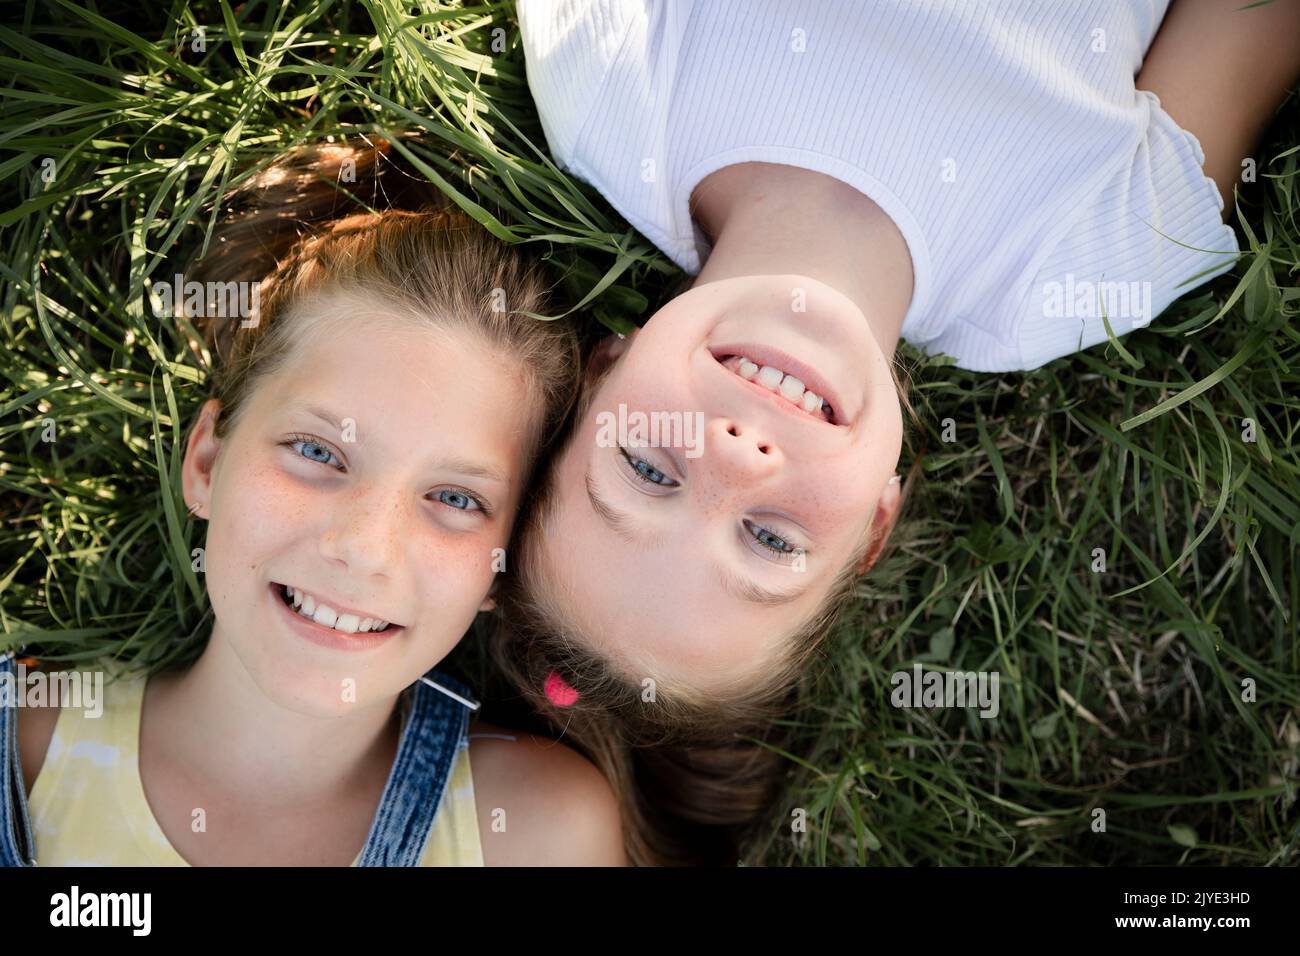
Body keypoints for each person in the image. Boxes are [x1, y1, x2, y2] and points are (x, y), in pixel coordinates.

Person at [487, 0, 1300, 863]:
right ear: (876, 524)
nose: (733, 455)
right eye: (767, 538)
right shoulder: (1089, 266)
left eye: (648, 473)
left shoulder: (609, 86)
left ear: (606, 368)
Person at [0, 138, 625, 867]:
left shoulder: (535, 836)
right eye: (318, 453)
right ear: (206, 460)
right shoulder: (23, 753)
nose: (363, 546)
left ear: (504, 560)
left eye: (455, 497)